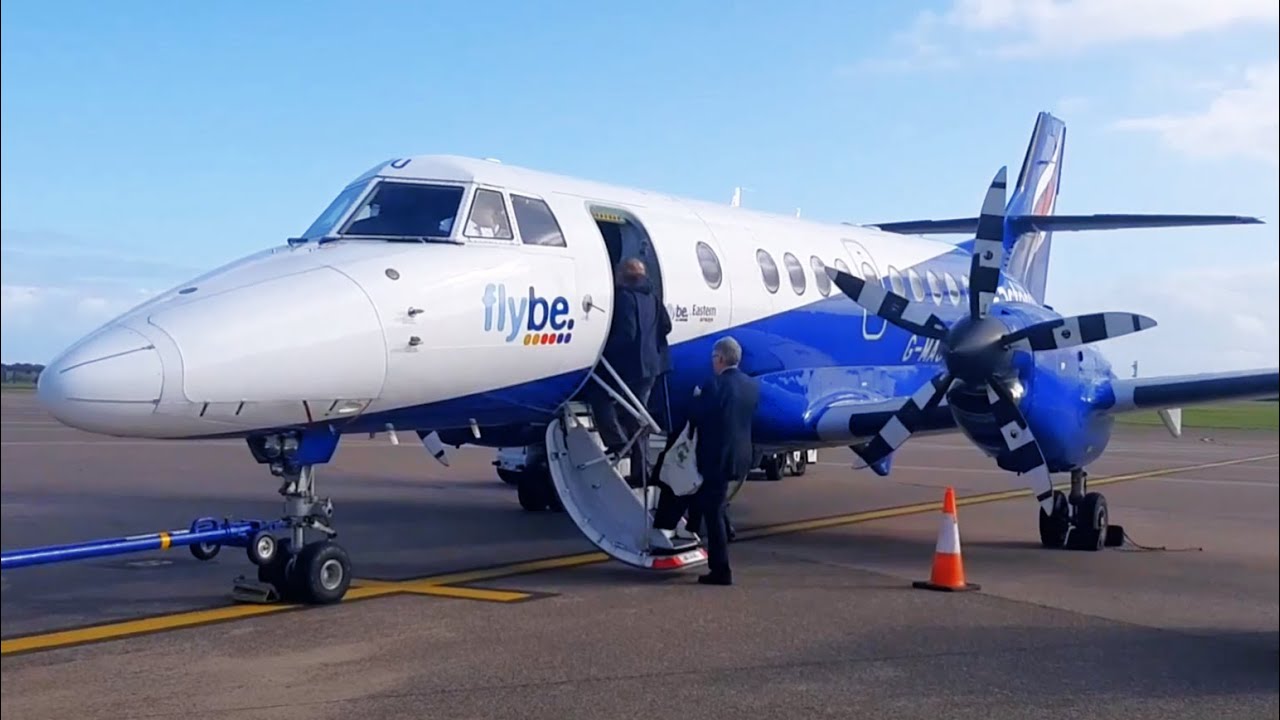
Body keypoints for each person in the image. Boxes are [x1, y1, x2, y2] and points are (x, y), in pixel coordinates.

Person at [668, 335, 758, 586]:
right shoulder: (751, 385)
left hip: (716, 460)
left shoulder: (715, 385)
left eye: (713, 358)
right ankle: (713, 529)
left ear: (720, 358)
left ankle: (721, 570)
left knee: (713, 513)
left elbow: (696, 416)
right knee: (714, 501)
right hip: (740, 459)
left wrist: (696, 398)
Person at [590, 257, 672, 487]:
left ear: (623, 275)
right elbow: (666, 326)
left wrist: (603, 353)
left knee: (602, 400)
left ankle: (617, 443)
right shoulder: (653, 298)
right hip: (651, 367)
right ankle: (641, 469)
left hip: (629, 366)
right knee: (637, 415)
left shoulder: (624, 298)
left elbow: (627, 333)